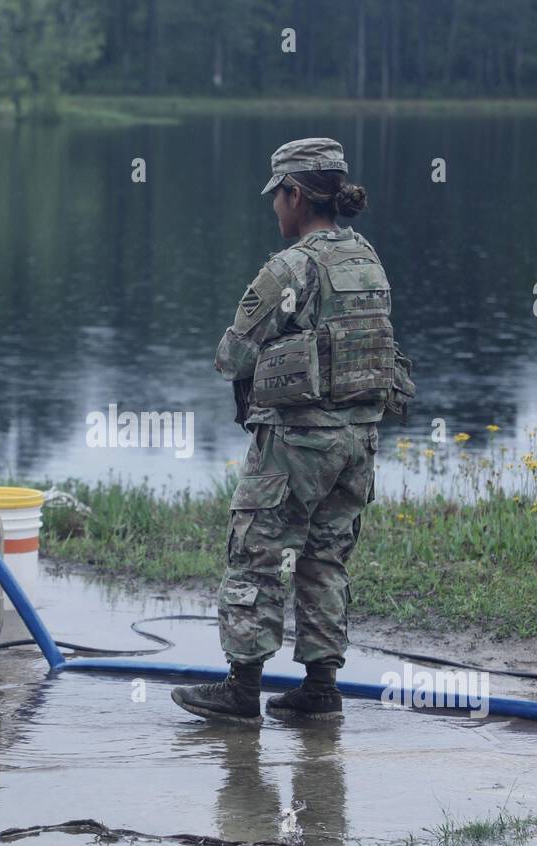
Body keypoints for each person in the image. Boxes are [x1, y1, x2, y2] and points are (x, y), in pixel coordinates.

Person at [172, 137, 411, 725]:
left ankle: (241, 689)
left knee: (254, 552)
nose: (274, 209)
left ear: (296, 195)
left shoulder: (293, 267)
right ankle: (321, 689)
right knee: (326, 559)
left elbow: (232, 355)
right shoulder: (367, 258)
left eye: (277, 197)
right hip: (359, 442)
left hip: (298, 443)